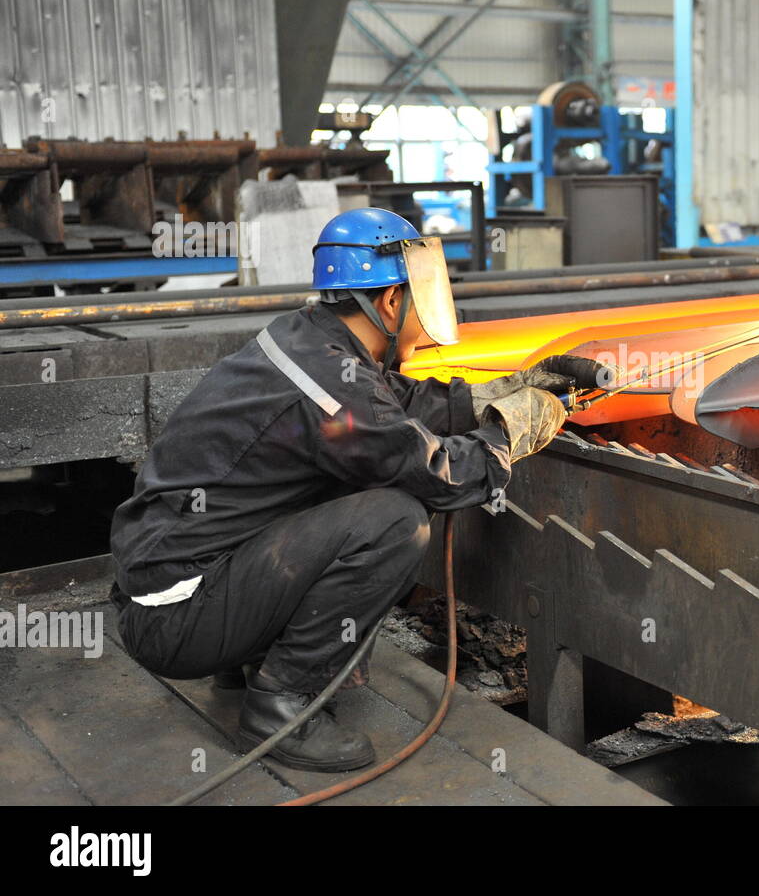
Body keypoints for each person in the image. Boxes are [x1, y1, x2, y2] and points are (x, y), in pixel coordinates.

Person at [108, 207, 607, 772]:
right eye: (418, 293)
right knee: (395, 518)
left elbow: (396, 402)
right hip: (176, 620)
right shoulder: (327, 383)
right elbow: (437, 475)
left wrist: (509, 387)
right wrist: (506, 432)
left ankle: (249, 658)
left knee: (337, 493)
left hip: (165, 585)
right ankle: (280, 708)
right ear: (392, 300)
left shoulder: (312, 341)